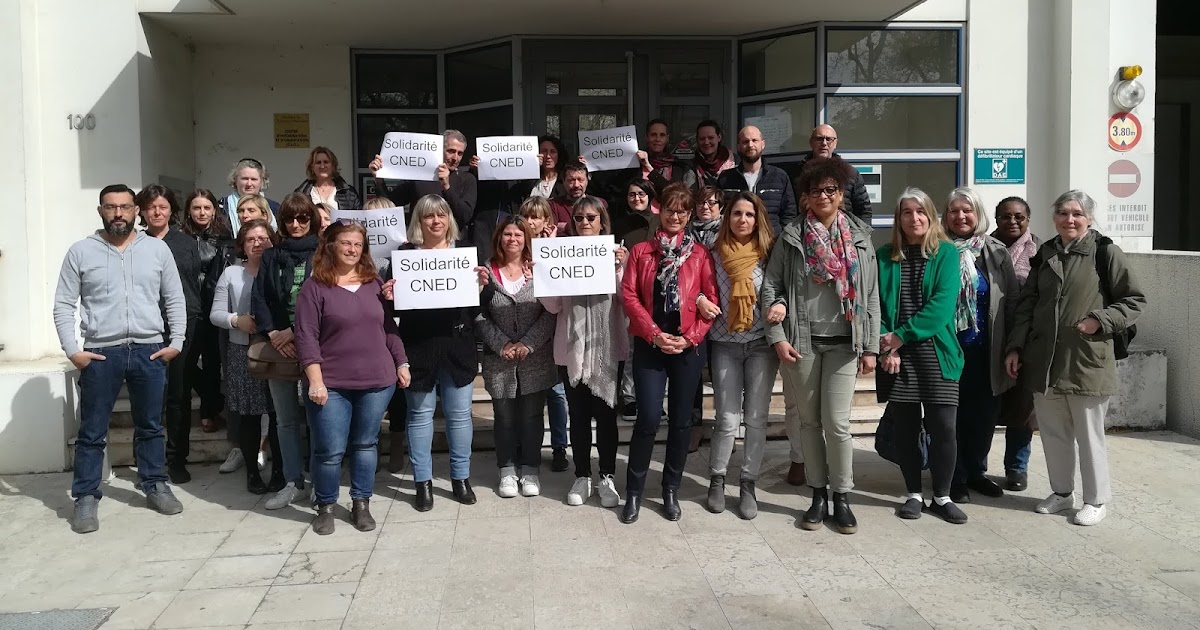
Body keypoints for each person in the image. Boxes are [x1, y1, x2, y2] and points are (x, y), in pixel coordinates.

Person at [1005, 190, 1147, 526]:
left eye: (1077, 214)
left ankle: (1096, 500)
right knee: (1053, 433)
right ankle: (1061, 492)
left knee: (1089, 435)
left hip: (1087, 360)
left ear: (1089, 218)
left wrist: (1100, 319)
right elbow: (1027, 304)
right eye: (1064, 213)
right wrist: (1015, 347)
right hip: (1045, 361)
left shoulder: (1104, 251)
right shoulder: (1046, 252)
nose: (1070, 220)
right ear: (1054, 217)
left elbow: (1135, 300)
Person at [54, 184, 186, 533]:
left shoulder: (156, 250)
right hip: (100, 352)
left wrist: (177, 342)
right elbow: (63, 304)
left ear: (136, 211)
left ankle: (154, 484)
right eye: (111, 207)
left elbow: (174, 298)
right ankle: (84, 497)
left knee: (151, 426)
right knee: (92, 430)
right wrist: (73, 350)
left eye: (126, 207)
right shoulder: (81, 251)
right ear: (101, 211)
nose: (119, 214)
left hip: (149, 350)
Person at [761, 157, 879, 533]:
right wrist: (777, 339)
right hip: (803, 344)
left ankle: (842, 496)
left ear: (841, 195)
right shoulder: (792, 236)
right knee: (810, 423)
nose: (824, 196)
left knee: (838, 424)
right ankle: (817, 494)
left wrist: (872, 347)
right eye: (816, 191)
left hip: (846, 343)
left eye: (831, 190)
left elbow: (872, 295)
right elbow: (771, 287)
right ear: (806, 197)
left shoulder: (860, 236)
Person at [295, 222, 409, 534]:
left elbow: (389, 328)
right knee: (330, 450)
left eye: (358, 244)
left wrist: (401, 362)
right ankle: (326, 505)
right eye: (345, 243)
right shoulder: (315, 287)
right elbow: (306, 338)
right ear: (330, 246)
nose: (352, 249)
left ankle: (361, 503)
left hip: (377, 380)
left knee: (365, 444)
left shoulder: (374, 283)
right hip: (331, 384)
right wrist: (315, 381)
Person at [620, 182, 717, 523]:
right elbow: (629, 297)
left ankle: (670, 490)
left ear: (689, 215)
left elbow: (711, 302)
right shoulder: (641, 252)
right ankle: (634, 492)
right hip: (651, 345)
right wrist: (655, 334)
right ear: (661, 211)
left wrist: (690, 339)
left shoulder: (700, 255)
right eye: (671, 209)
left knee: (681, 421)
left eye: (683, 211)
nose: (676, 216)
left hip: (687, 347)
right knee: (647, 418)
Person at [877, 187, 965, 524]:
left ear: (930, 216)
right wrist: (888, 346)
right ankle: (914, 493)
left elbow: (941, 307)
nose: (914, 218)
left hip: (937, 352)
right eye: (906, 212)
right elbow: (877, 305)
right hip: (897, 355)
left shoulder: (946, 253)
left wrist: (899, 337)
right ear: (898, 219)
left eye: (920, 212)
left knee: (944, 427)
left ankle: (941, 496)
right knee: (906, 428)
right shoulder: (885, 255)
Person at [541, 196, 629, 508]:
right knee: (577, 416)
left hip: (606, 349)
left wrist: (619, 269)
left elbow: (625, 301)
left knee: (606, 416)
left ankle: (606, 476)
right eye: (579, 218)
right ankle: (582, 475)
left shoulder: (618, 253)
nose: (585, 223)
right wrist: (548, 264)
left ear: (602, 221)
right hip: (572, 349)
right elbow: (552, 306)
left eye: (591, 217)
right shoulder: (563, 255)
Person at [394, 195, 480, 511]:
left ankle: (461, 478)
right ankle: (422, 483)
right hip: (418, 345)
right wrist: (389, 295)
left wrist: (481, 288)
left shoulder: (465, 252)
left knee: (459, 416)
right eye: (429, 216)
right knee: (419, 416)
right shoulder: (404, 255)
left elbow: (475, 307)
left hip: (458, 346)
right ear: (419, 220)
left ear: (449, 220)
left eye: (441, 215)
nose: (436, 221)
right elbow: (394, 305)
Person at [704, 192, 780, 520]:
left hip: (762, 344)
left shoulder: (769, 254)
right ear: (727, 217)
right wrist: (698, 300)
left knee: (757, 419)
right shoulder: (712, 254)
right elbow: (698, 286)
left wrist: (781, 305)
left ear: (757, 218)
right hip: (724, 344)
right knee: (726, 418)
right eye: (737, 213)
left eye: (749, 214)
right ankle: (717, 479)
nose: (743, 220)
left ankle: (748, 481)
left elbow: (782, 290)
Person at [941, 187, 1020, 504]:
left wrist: (1014, 346)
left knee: (984, 416)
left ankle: (976, 471)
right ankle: (953, 475)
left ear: (978, 214)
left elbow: (1012, 301)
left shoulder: (996, 252)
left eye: (967, 210)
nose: (961, 216)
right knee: (951, 418)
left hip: (988, 349)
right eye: (954, 210)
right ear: (946, 216)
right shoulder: (936, 249)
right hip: (949, 349)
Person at [475, 217, 557, 498]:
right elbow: (478, 313)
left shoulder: (539, 268)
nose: (512, 239)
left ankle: (531, 469)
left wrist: (528, 343)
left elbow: (551, 311)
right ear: (499, 238)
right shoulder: (485, 272)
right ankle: (507, 471)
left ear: (526, 239)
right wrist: (502, 344)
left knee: (533, 416)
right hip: (500, 360)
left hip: (535, 357)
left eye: (518, 235)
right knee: (505, 417)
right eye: (507, 234)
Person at [251, 193, 322, 510]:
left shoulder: (324, 254)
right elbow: (260, 299)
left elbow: (328, 299)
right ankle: (294, 482)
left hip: (316, 344)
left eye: (302, 218)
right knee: (285, 419)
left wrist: (296, 331)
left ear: (312, 220)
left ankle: (322, 483)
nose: (296, 224)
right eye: (290, 219)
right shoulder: (271, 256)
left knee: (319, 417)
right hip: (280, 344)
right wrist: (277, 333)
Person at [137, 185, 205, 485]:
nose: (157, 212)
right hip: (145, 326)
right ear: (141, 211)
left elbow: (192, 284)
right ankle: (147, 459)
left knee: (178, 394)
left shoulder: (186, 242)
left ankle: (177, 458)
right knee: (148, 395)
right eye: (151, 207)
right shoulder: (135, 242)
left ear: (171, 210)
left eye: (162, 206)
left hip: (183, 323)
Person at [210, 219, 283, 494]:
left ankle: (279, 471)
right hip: (244, 351)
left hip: (278, 349)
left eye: (263, 238)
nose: (257, 243)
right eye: (251, 239)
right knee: (250, 417)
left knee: (278, 415)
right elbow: (215, 314)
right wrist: (235, 320)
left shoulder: (279, 268)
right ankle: (253, 472)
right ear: (242, 244)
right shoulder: (231, 274)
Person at [515, 197, 571, 471]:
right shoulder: (514, 247)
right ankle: (528, 447)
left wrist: (549, 246)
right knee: (531, 396)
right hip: (524, 329)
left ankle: (559, 446)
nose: (532, 222)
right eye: (527, 215)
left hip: (553, 328)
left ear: (547, 220)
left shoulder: (557, 248)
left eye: (537, 217)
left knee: (557, 394)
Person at [992, 196, 1040, 491]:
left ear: (1028, 219)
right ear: (996, 219)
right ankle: (974, 466)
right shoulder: (981, 248)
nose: (1012, 222)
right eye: (1005, 217)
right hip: (989, 338)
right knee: (984, 409)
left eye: (1018, 217)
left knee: (1021, 410)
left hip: (1025, 342)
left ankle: (1016, 468)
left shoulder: (1040, 253)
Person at [182, 189, 234, 437]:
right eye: (196, 208)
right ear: (188, 211)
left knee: (213, 362)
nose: (202, 213)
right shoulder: (180, 238)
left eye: (206, 207)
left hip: (214, 304)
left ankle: (208, 413)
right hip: (187, 305)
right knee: (184, 361)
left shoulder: (224, 238)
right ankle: (213, 398)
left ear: (214, 210)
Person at [369, 129, 478, 230]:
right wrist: (378, 179)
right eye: (451, 151)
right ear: (439, 149)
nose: (455, 158)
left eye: (460, 153)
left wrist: (447, 187)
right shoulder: (419, 176)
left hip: (453, 244)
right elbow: (390, 204)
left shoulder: (467, 179)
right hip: (419, 243)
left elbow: (465, 216)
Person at [715, 126, 798, 234]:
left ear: (763, 144)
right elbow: (720, 212)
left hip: (771, 244)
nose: (750, 145)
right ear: (739, 147)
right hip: (737, 243)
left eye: (754, 140)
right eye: (745, 141)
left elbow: (789, 213)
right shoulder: (726, 178)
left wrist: (780, 238)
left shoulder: (779, 176)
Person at [784, 125, 872, 224]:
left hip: (844, 234)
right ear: (811, 142)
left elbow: (864, 210)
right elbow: (788, 211)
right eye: (819, 139)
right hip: (804, 233)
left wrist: (861, 235)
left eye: (829, 139)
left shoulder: (850, 173)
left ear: (835, 143)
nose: (824, 143)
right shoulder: (796, 173)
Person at [294, 146, 362, 211]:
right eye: (318, 162)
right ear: (312, 167)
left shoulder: (349, 193)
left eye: (326, 162)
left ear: (333, 166)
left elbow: (358, 219)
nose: (322, 166)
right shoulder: (301, 193)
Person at [222, 158, 280, 232]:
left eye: (254, 179)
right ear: (235, 180)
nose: (249, 184)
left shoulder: (274, 208)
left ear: (262, 182)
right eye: (245, 179)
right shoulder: (222, 209)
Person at [510, 135, 570, 202]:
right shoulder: (530, 180)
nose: (548, 156)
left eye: (552, 152)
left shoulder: (564, 181)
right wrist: (533, 167)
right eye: (544, 151)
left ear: (559, 155)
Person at [549, 160, 605, 230]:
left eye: (580, 180)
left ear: (587, 180)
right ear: (563, 181)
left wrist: (567, 227)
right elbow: (552, 230)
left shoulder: (599, 203)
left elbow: (605, 228)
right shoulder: (553, 205)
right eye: (571, 180)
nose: (576, 185)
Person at [684, 120, 735, 190]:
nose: (706, 142)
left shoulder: (735, 162)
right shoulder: (691, 167)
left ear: (719, 137)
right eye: (702, 139)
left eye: (711, 138)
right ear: (697, 140)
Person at [642, 119, 684, 194]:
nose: (658, 139)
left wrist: (648, 167)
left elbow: (672, 193)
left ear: (667, 138)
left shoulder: (676, 165)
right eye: (653, 135)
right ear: (646, 137)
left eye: (662, 135)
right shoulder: (636, 164)